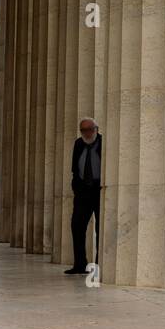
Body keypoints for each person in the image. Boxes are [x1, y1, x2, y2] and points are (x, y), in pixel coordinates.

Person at [66, 117, 101, 275]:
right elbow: (75, 168)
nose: (87, 133)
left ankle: (100, 265)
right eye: (83, 130)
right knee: (77, 226)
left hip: (99, 190)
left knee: (101, 229)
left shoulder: (103, 142)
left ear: (96, 129)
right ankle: (80, 264)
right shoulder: (78, 144)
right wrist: (76, 187)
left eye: (89, 129)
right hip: (82, 192)